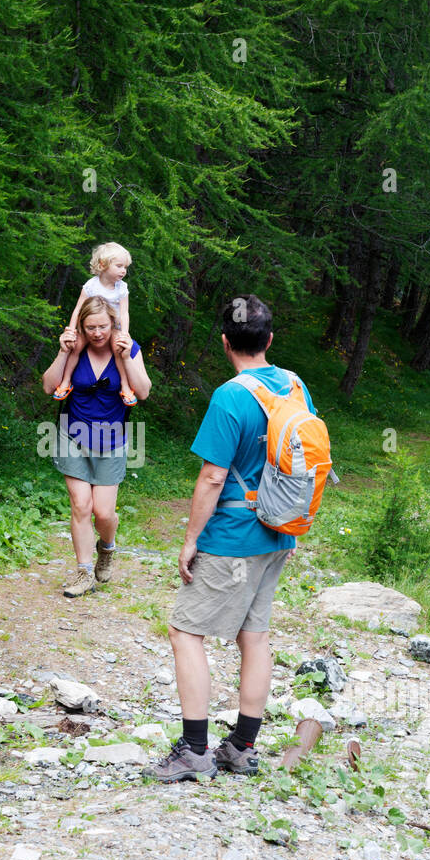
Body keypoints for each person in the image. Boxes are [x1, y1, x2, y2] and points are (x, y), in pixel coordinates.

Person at [146, 293, 317, 783]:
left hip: (233, 535)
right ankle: (241, 748)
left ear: (225, 342)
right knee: (254, 636)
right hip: (278, 530)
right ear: (269, 340)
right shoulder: (295, 384)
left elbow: (213, 476)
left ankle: (195, 750)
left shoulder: (230, 396)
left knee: (185, 631)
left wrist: (190, 539)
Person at [42, 294, 151, 598]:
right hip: (73, 435)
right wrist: (62, 352)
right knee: (81, 505)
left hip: (112, 439)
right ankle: (83, 572)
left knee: (103, 513)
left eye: (103, 326)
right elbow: (49, 386)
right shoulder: (75, 346)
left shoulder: (127, 347)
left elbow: (143, 391)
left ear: (113, 323)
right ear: (82, 326)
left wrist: (126, 357)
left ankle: (107, 547)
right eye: (90, 327)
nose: (97, 333)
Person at [53, 242, 137, 406]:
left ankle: (125, 385)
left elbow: (124, 312)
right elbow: (78, 309)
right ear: (103, 264)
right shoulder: (91, 285)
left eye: (125, 267)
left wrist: (124, 333)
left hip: (112, 327)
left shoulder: (121, 288)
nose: (123, 271)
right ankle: (66, 380)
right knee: (75, 347)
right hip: (90, 327)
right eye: (119, 266)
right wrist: (71, 330)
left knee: (118, 349)